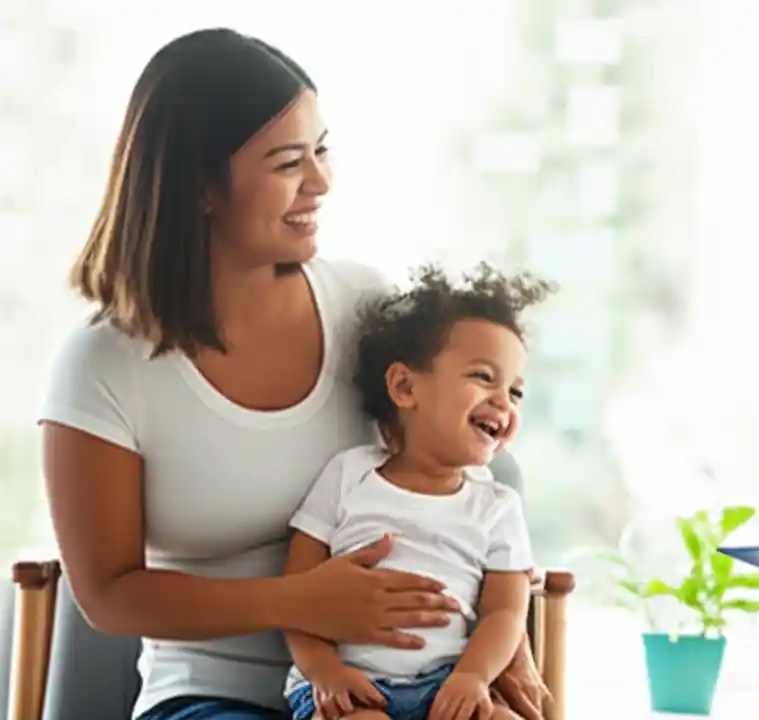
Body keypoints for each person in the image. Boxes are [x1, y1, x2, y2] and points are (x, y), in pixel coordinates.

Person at [39, 28, 552, 719]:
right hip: (209, 692)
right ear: (200, 188)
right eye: (287, 163)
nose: (321, 181)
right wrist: (300, 603)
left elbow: (462, 473)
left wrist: (503, 645)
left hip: (404, 684)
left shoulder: (362, 307)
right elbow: (108, 595)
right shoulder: (102, 365)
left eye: (322, 149)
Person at [281, 264, 554, 720]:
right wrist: (323, 672)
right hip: (350, 685)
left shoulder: (497, 506)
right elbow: (297, 594)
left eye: (516, 392)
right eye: (484, 377)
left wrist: (473, 677)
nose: (504, 402)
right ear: (405, 387)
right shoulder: (349, 475)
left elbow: (505, 613)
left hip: (449, 683)